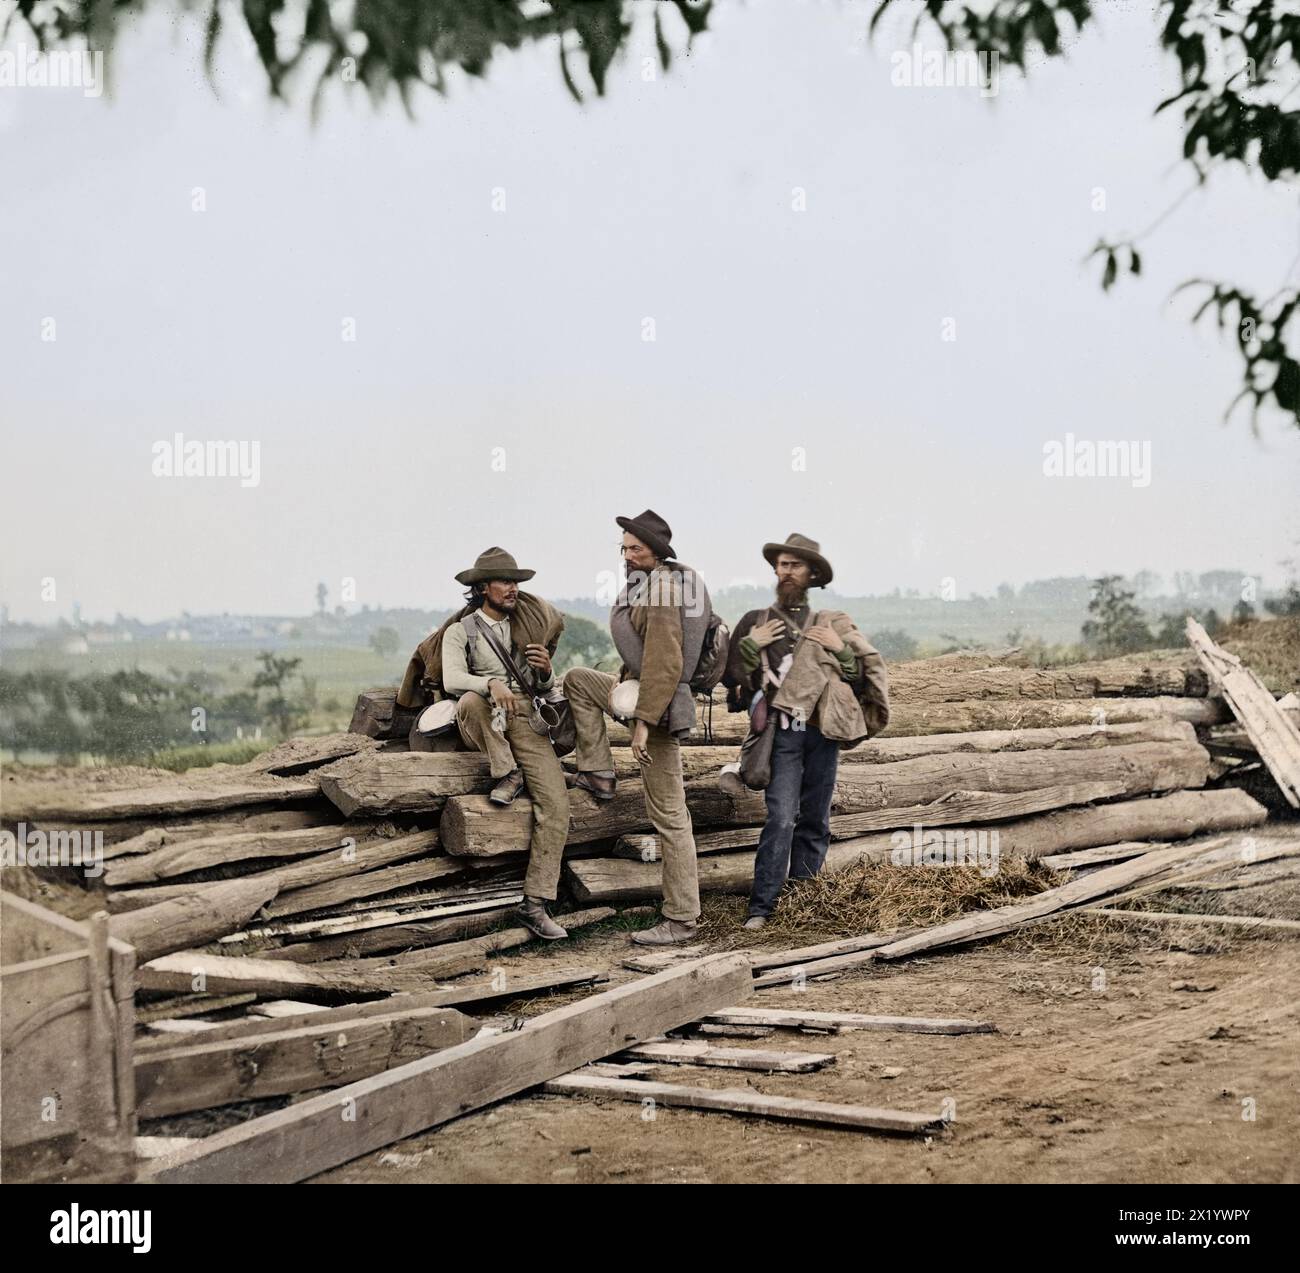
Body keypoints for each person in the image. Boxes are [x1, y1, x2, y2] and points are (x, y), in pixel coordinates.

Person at [722, 534, 890, 930]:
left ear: (812, 574)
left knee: (815, 818)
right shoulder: (755, 621)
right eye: (781, 565)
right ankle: (762, 908)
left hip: (822, 732)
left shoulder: (831, 624)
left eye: (795, 565)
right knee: (781, 817)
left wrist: (840, 649)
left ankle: (804, 904)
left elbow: (858, 679)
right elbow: (732, 681)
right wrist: (749, 648)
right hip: (781, 733)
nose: (786, 572)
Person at [564, 510, 711, 946]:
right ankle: (598, 771)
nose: (627, 555)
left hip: (659, 709)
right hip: (639, 692)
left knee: (670, 815)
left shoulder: (663, 591)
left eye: (636, 548)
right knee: (577, 680)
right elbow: (641, 653)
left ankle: (682, 919)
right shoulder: (647, 582)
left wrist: (643, 725)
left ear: (657, 552)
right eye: (624, 547)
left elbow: (665, 663)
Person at [438, 547, 572, 941]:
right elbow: (451, 679)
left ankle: (535, 903)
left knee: (556, 805)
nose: (513, 588)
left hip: (526, 718)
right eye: (504, 581)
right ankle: (508, 771)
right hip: (484, 718)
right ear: (483, 588)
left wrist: (545, 672)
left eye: (515, 581)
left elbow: (543, 688)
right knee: (470, 699)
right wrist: (490, 683)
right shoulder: (461, 631)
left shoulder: (526, 627)